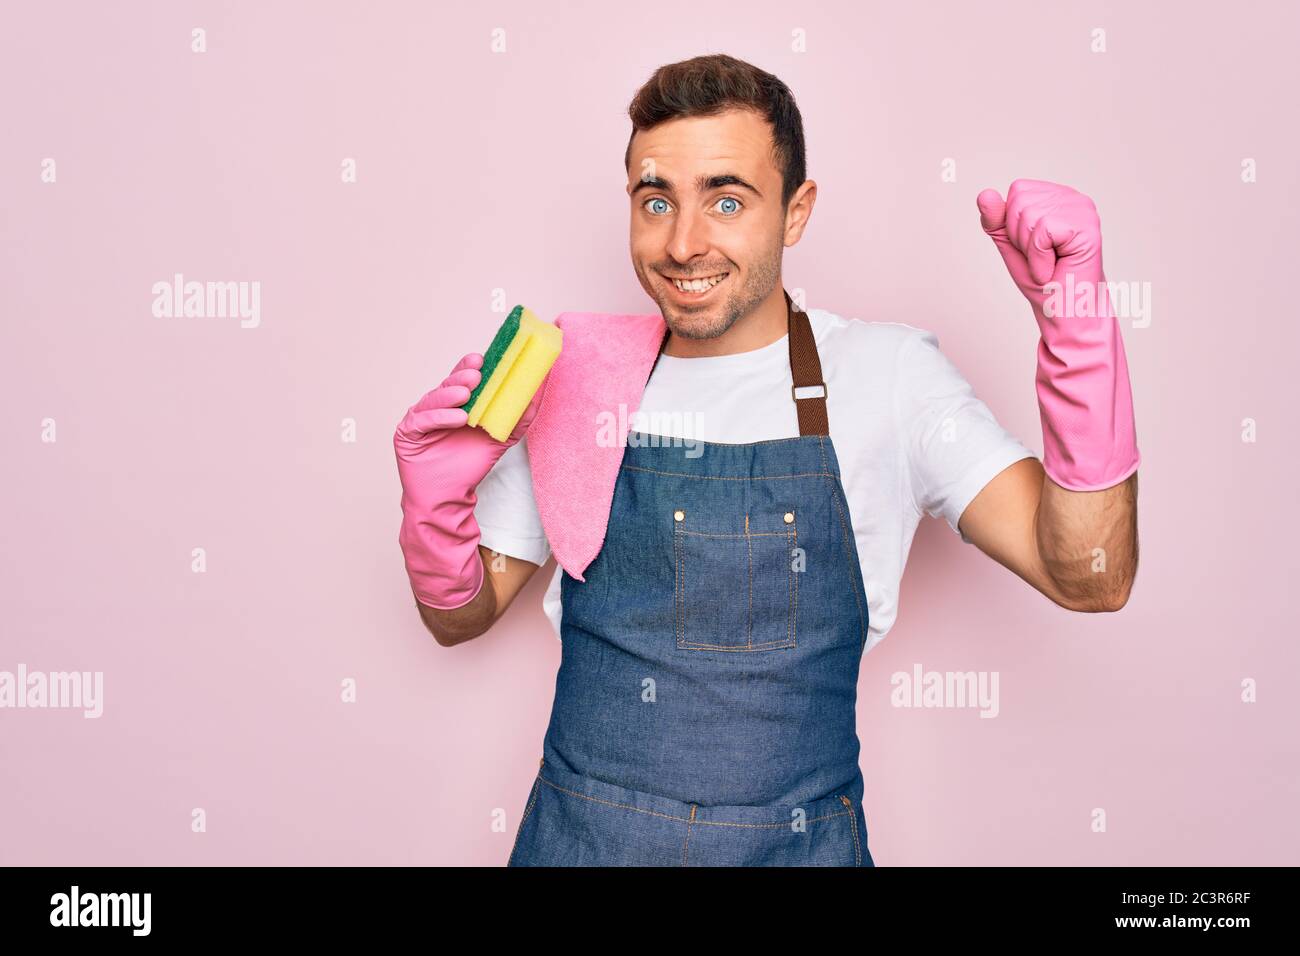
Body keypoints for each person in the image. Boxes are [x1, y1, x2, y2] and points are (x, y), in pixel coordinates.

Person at [393, 54, 1139, 867]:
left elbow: (1090, 576)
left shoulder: (889, 378)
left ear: (795, 210)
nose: (683, 244)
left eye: (726, 199)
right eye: (656, 202)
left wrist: (1078, 335)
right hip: (578, 846)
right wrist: (435, 511)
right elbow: (457, 620)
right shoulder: (578, 375)